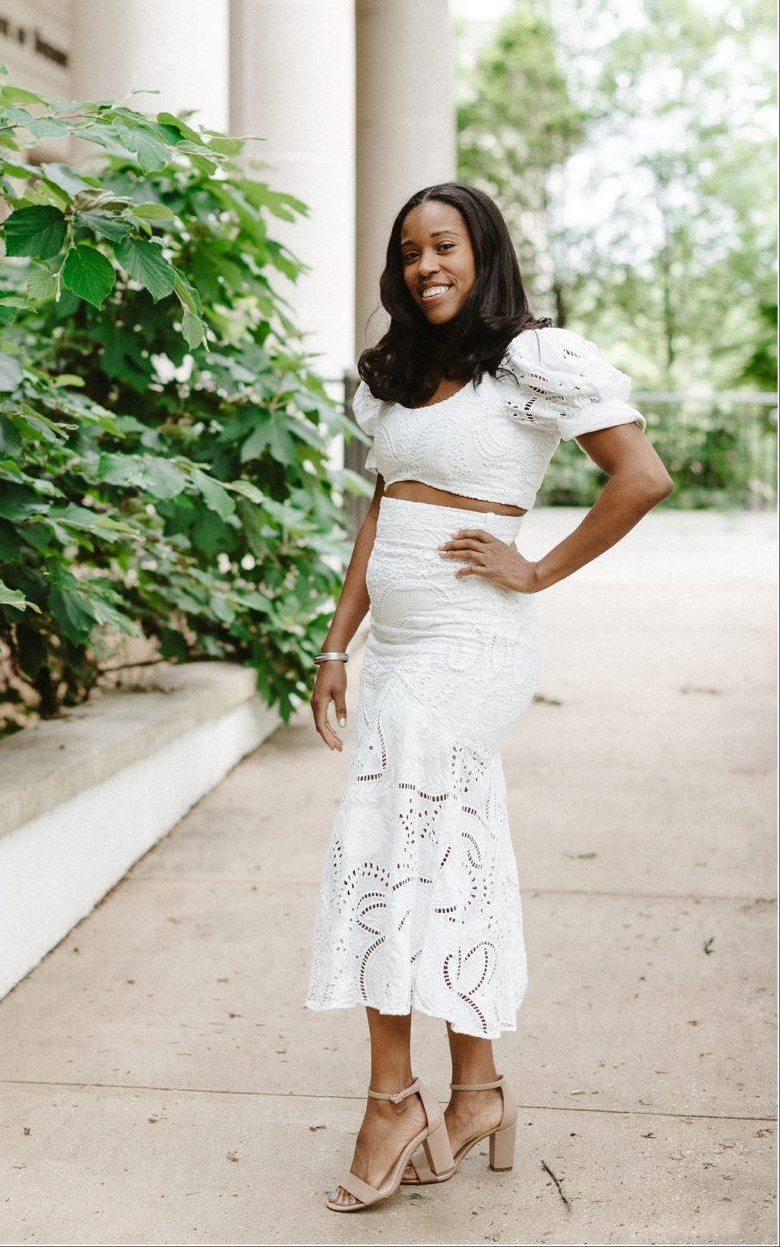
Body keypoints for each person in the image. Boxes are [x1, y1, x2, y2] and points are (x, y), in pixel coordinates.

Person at [305, 183, 673, 1214]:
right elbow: (379, 514)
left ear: (484, 254)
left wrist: (537, 568)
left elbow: (639, 475)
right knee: (447, 854)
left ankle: (392, 1097)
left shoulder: (535, 360)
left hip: (473, 646)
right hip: (399, 645)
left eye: (445, 246)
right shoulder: (396, 376)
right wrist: (336, 644)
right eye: (410, 250)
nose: (426, 266)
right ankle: (477, 1093)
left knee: (382, 841)